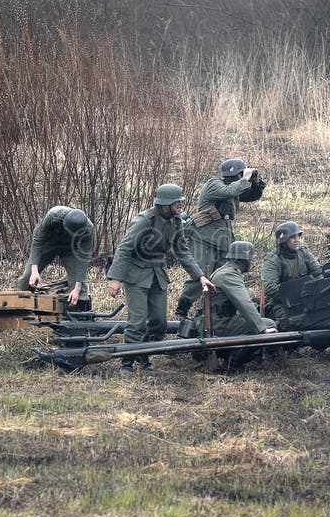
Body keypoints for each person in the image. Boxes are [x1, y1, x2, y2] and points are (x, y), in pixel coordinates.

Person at [107, 184, 215, 375]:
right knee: (137, 322)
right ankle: (127, 362)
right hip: (136, 274)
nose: (180, 206)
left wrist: (200, 276)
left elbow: (182, 251)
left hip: (158, 274)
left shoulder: (176, 221)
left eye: (180, 202)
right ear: (165, 204)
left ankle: (143, 353)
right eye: (176, 203)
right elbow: (124, 248)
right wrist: (115, 278)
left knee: (159, 323)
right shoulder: (144, 220)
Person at [174, 158, 265, 319]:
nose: (243, 176)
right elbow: (228, 192)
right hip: (204, 237)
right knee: (201, 273)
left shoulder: (234, 186)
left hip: (223, 239)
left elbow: (251, 195)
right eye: (241, 173)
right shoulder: (214, 184)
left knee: (222, 276)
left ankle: (207, 312)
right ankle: (181, 311)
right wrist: (244, 179)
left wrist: (256, 182)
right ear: (234, 174)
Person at [207, 240, 277, 366]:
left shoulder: (224, 270)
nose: (252, 262)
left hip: (218, 322)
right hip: (220, 326)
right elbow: (244, 304)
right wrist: (262, 329)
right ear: (243, 260)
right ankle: (234, 360)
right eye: (250, 259)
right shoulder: (230, 275)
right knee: (269, 324)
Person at [17, 206, 95, 312]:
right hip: (49, 243)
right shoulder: (54, 215)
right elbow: (38, 239)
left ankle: (80, 314)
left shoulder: (89, 229)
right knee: (28, 277)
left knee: (79, 286)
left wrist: (77, 288)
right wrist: (34, 270)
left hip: (70, 248)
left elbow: (84, 258)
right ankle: (20, 309)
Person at [260, 221, 323, 322]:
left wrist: (316, 289)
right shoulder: (273, 260)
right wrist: (298, 292)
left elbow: (318, 273)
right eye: (293, 237)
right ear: (283, 240)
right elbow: (271, 288)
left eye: (298, 236)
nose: (297, 240)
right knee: (291, 323)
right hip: (282, 304)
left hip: (308, 299)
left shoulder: (303, 252)